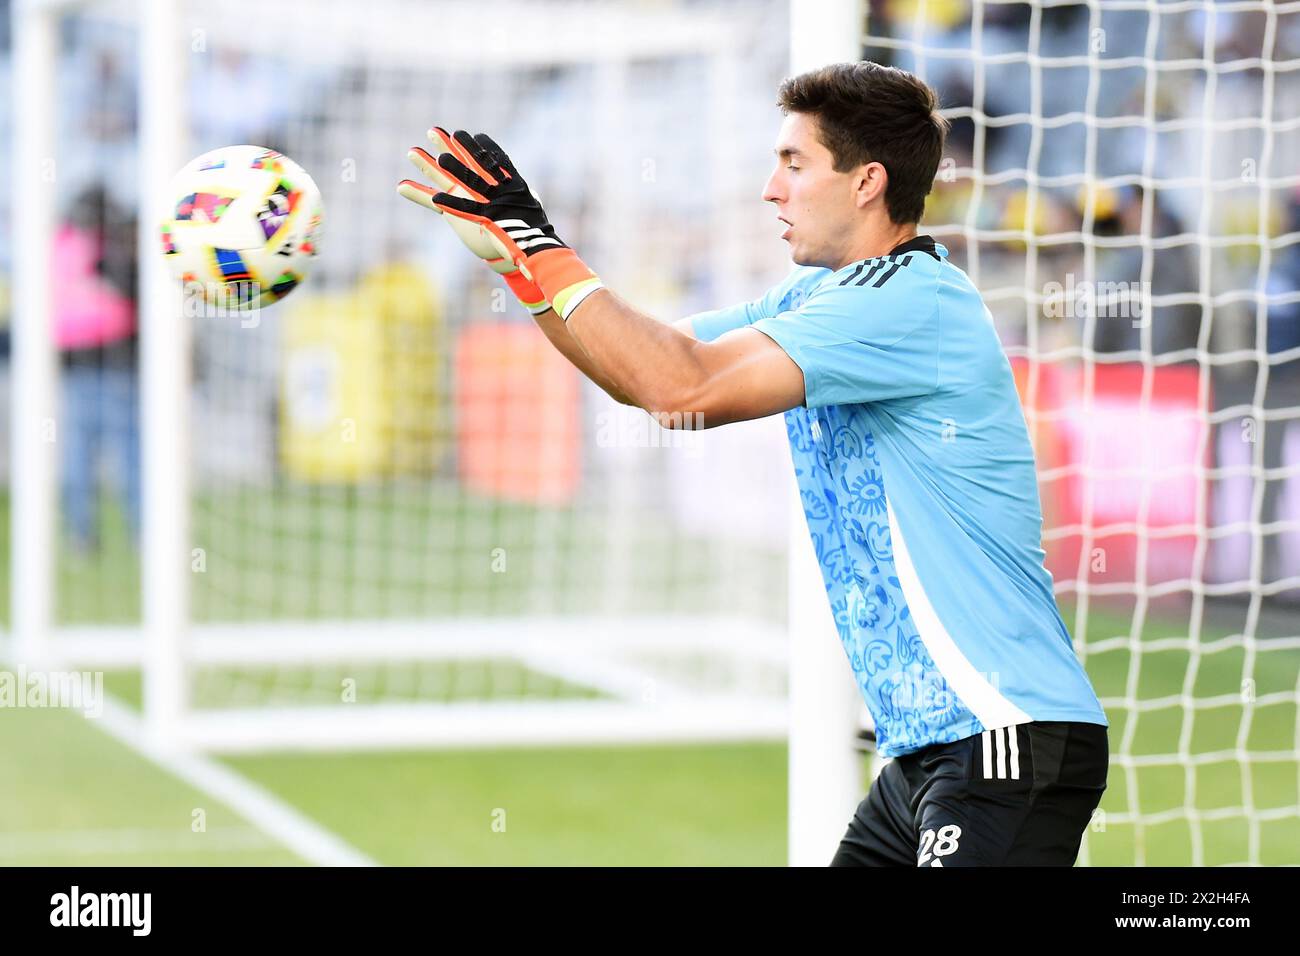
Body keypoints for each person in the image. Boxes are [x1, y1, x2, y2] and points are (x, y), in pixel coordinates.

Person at [398, 60, 1109, 867]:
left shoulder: (908, 303)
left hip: (1000, 735)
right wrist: (517, 262)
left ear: (867, 182)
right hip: (926, 755)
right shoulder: (824, 300)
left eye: (794, 164)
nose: (771, 189)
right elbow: (645, 366)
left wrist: (539, 246)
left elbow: (677, 385)